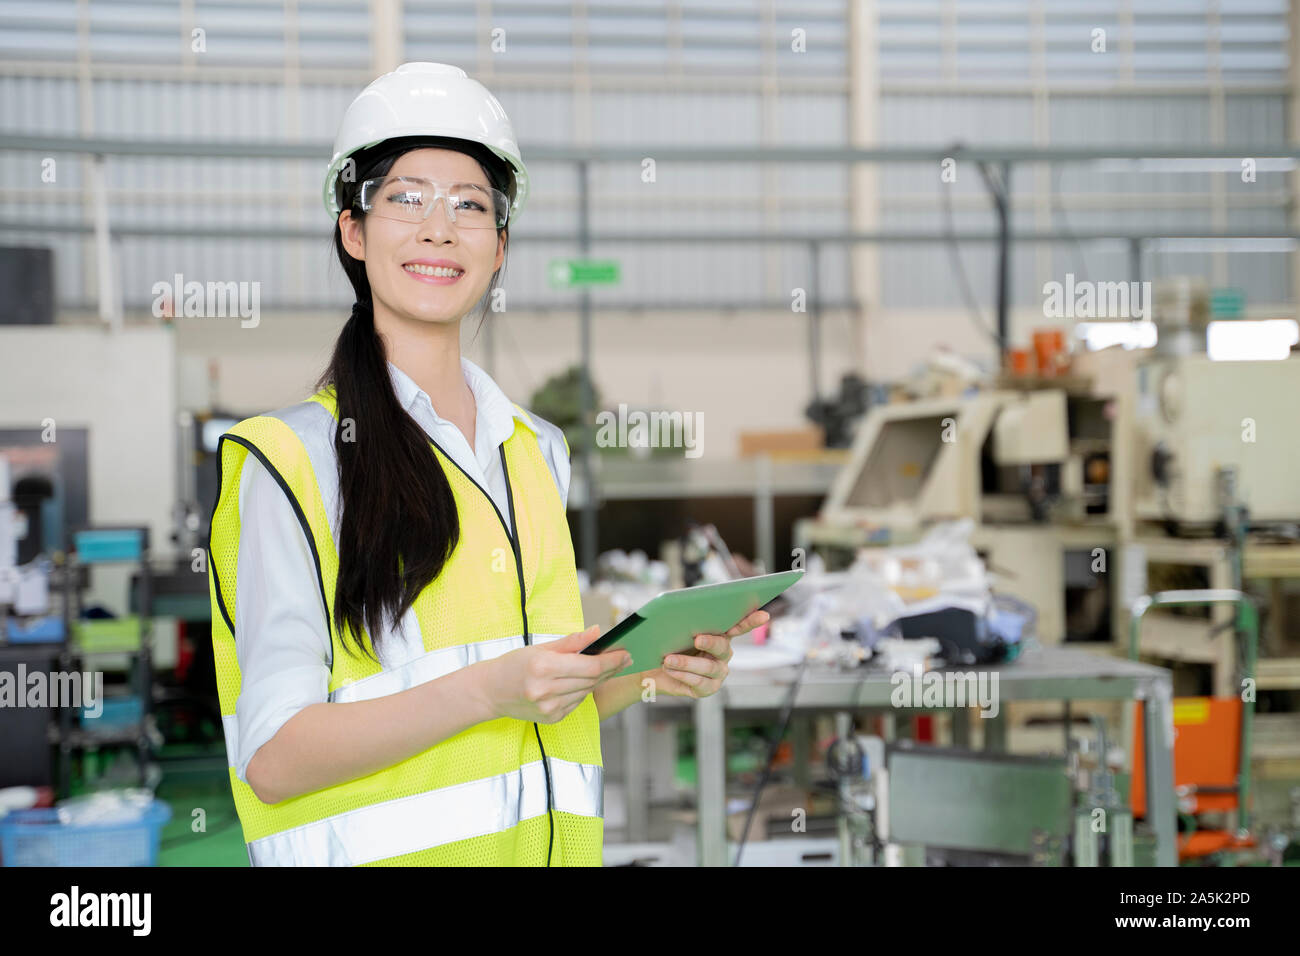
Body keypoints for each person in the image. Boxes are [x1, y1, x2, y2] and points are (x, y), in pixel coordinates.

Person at [205, 62, 768, 867]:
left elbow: (537, 687)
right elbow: (275, 758)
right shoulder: (290, 462)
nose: (439, 229)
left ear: (500, 247)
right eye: (406, 198)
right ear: (353, 229)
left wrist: (653, 670)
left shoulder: (535, 450)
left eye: (470, 206)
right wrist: (486, 691)